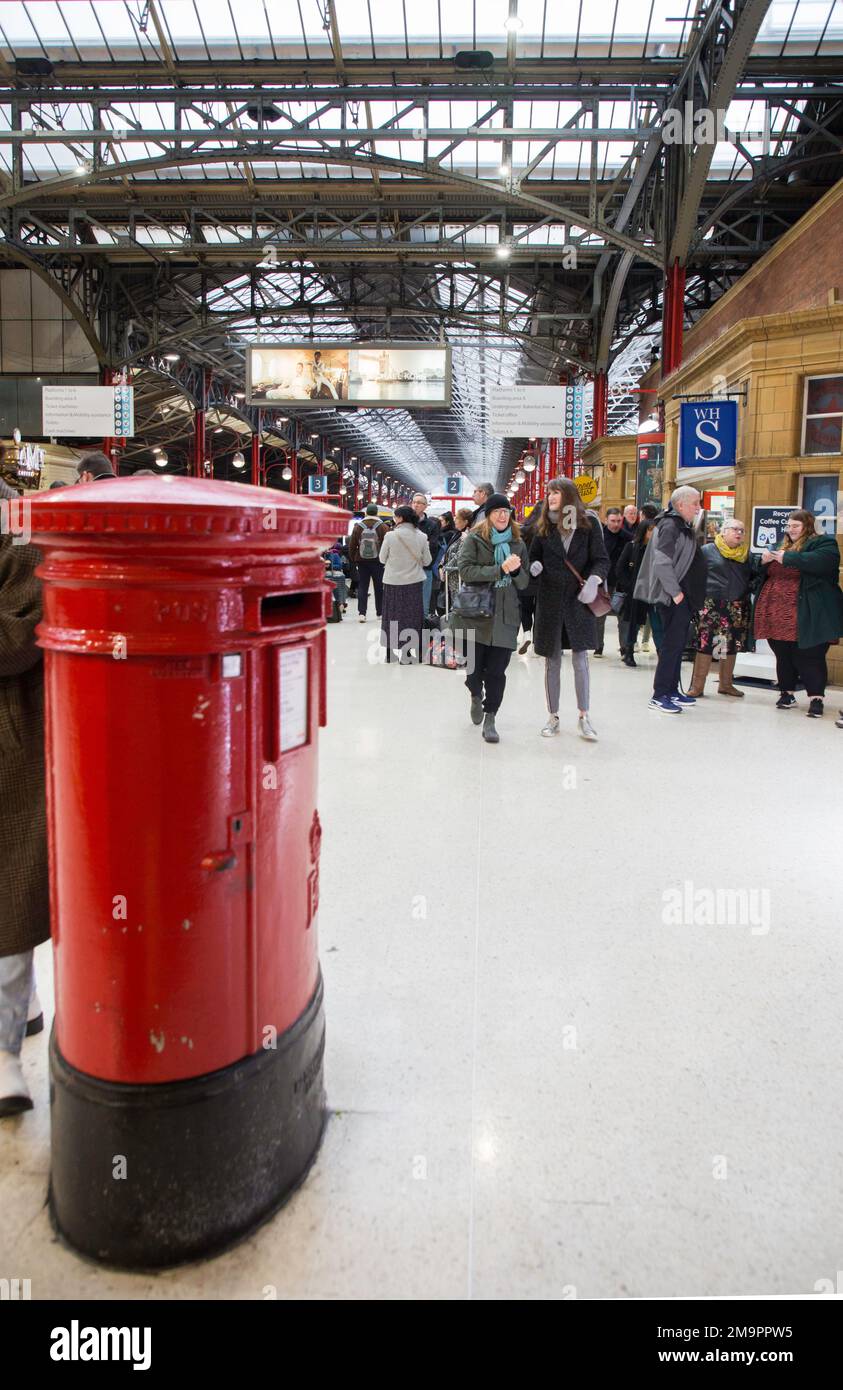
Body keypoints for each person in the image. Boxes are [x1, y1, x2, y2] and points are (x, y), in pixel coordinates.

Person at [0, 479, 50, 1117]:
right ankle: (28, 1007)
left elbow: (17, 640)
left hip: (8, 735)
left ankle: (5, 1055)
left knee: (10, 893)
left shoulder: (21, 531)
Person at [529, 477, 609, 741]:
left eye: (556, 492)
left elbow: (601, 559)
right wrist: (534, 567)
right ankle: (553, 716)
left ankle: (584, 716)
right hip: (550, 601)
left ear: (569, 495)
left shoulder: (589, 524)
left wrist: (595, 579)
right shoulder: (544, 526)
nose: (551, 497)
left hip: (578, 602)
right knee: (551, 661)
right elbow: (533, 557)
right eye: (549, 493)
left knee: (580, 660)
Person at [449, 493, 529, 743]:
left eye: (506, 512)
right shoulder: (474, 539)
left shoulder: (519, 544)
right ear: (488, 515)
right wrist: (500, 569)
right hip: (475, 614)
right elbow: (466, 571)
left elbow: (525, 583)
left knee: (497, 671)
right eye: (497, 511)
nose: (502, 515)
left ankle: (491, 716)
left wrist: (515, 571)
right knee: (474, 670)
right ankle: (475, 693)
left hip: (505, 616)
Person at [754, 508, 843, 718]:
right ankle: (787, 693)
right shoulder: (780, 545)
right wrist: (763, 562)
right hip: (777, 613)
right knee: (782, 652)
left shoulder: (824, 543)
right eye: (788, 526)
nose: (790, 529)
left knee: (810, 655)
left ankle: (816, 699)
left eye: (795, 526)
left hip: (808, 612)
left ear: (807, 526)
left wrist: (789, 557)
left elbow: (821, 562)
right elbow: (761, 573)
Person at [634, 485, 707, 714]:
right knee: (671, 646)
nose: (698, 508)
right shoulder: (670, 525)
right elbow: (662, 561)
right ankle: (660, 694)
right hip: (673, 597)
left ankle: (672, 691)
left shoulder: (680, 525)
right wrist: (675, 593)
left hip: (681, 596)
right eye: (695, 503)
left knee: (676, 646)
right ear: (681, 504)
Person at [687, 518, 753, 697]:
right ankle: (697, 686)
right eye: (735, 529)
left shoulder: (746, 554)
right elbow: (694, 575)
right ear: (723, 532)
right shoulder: (708, 550)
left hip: (736, 605)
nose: (739, 533)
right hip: (711, 604)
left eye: (742, 530)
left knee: (729, 645)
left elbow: (753, 577)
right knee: (706, 644)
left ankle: (725, 684)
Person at [379, 505, 431, 663]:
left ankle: (389, 653)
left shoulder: (390, 536)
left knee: (392, 616)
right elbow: (428, 560)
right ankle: (407, 654)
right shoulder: (422, 536)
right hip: (413, 583)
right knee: (411, 616)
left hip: (392, 583)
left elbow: (382, 558)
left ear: (400, 518)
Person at [615, 516, 656, 665]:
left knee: (656, 624)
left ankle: (662, 653)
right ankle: (629, 651)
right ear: (643, 531)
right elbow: (620, 568)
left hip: (653, 592)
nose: (653, 533)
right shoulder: (632, 547)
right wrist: (630, 586)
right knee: (633, 623)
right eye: (651, 530)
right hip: (635, 593)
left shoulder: (657, 549)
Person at [595, 507, 627, 656]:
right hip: (603, 582)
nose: (615, 524)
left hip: (621, 583)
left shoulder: (628, 538)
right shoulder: (599, 538)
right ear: (606, 520)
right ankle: (598, 646)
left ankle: (625, 648)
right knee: (600, 616)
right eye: (613, 521)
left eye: (618, 521)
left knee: (623, 618)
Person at [349, 503, 386, 622]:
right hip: (378, 562)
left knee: (363, 586)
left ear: (366, 513)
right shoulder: (383, 527)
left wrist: (354, 559)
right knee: (379, 587)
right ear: (377, 513)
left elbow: (352, 545)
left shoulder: (358, 527)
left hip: (362, 561)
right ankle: (380, 613)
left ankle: (362, 614)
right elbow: (387, 545)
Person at [411, 493, 443, 616]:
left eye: (419, 503)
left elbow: (433, 547)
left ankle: (422, 632)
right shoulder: (406, 523)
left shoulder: (432, 525)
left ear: (425, 506)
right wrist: (424, 543)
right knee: (409, 604)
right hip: (408, 569)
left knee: (424, 606)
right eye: (414, 502)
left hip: (425, 569)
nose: (416, 505)